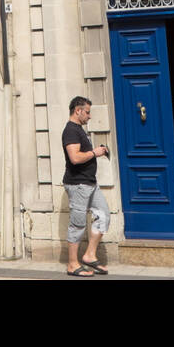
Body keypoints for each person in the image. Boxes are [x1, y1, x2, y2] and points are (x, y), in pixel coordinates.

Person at [62, 96, 111, 276]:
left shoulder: (79, 130)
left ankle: (89, 255)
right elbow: (75, 158)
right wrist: (94, 152)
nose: (89, 116)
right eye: (87, 112)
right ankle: (72, 264)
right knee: (77, 224)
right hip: (78, 184)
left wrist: (93, 152)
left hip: (89, 183)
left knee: (104, 215)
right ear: (78, 110)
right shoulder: (71, 131)